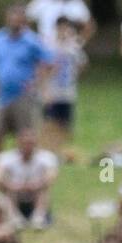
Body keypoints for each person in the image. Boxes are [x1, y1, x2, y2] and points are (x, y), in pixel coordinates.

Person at [0, 5, 52, 161]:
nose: (15, 22)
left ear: (24, 21)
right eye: (12, 19)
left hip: (24, 95)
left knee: (26, 136)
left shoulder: (32, 41)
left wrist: (39, 84)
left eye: (18, 19)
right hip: (2, 96)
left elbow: (47, 63)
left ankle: (26, 167)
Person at [40, 16, 87, 159]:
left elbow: (82, 63)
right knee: (50, 123)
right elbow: (42, 68)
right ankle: (49, 150)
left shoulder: (74, 47)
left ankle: (59, 151)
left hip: (68, 91)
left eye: (66, 28)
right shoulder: (48, 46)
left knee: (65, 124)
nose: (63, 31)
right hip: (52, 91)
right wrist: (43, 88)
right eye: (61, 28)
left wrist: (75, 75)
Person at [0, 127, 59, 227]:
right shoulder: (5, 157)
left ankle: (38, 218)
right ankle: (14, 218)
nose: (28, 146)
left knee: (43, 191)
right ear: (18, 142)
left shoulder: (47, 157)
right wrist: (11, 185)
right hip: (13, 192)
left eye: (30, 143)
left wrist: (37, 185)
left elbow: (51, 175)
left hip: (35, 193)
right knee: (8, 192)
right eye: (25, 143)